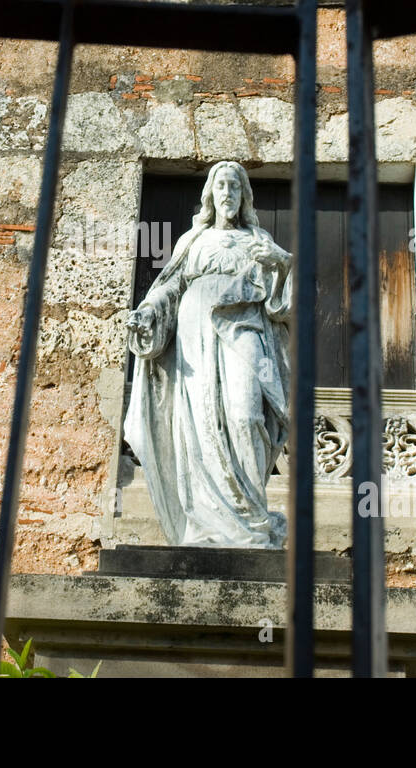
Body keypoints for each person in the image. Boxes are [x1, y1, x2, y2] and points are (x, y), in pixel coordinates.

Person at [123, 161, 292, 548]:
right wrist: (148, 313)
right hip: (195, 334)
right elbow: (168, 287)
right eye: (221, 187)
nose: (228, 193)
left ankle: (250, 519)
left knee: (245, 414)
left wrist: (281, 266)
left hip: (243, 328)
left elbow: (283, 305)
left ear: (244, 196)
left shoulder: (259, 241)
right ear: (211, 196)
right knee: (199, 424)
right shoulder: (193, 241)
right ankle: (207, 523)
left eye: (235, 186)